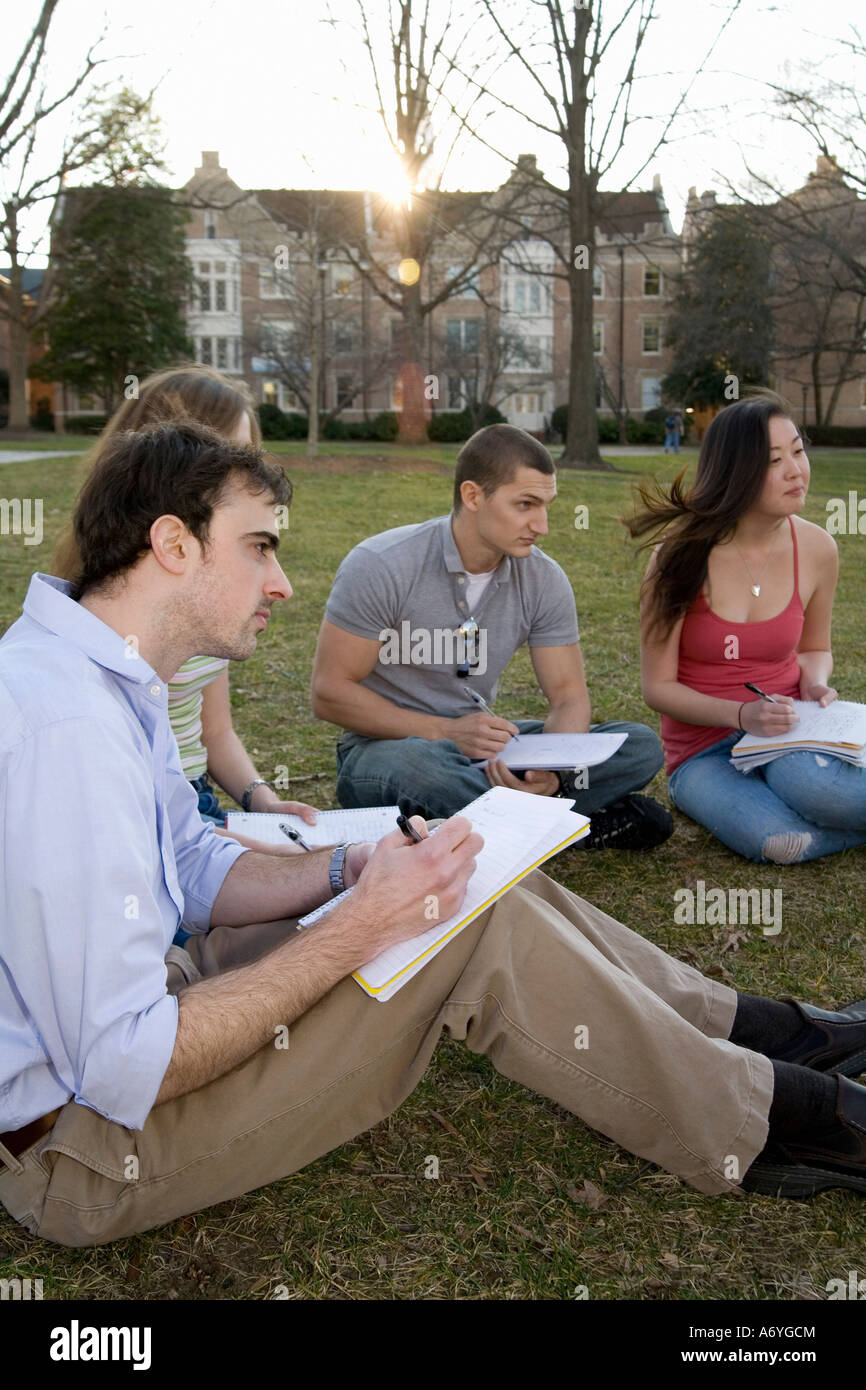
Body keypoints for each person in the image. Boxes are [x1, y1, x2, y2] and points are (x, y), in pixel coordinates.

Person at [6, 421, 866, 1248]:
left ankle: (753, 1029)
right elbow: (127, 1065)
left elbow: (190, 864)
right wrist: (365, 922)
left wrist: (349, 868)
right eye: (260, 546)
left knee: (464, 876)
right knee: (453, 930)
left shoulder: (108, 675)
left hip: (157, 1001)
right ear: (173, 544)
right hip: (88, 1151)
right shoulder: (65, 728)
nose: (281, 584)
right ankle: (784, 1117)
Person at [311, 424, 673, 850]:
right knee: (423, 771)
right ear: (473, 496)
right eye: (525, 505)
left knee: (639, 745)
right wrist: (445, 732)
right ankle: (569, 829)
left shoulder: (543, 578)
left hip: (484, 748)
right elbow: (329, 692)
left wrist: (552, 770)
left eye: (546, 506)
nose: (542, 525)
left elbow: (568, 696)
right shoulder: (381, 564)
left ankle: (509, 819)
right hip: (386, 750)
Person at [52, 364, 317, 851]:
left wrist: (261, 801)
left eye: (250, 454)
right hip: (144, 813)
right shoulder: (106, 622)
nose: (247, 473)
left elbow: (215, 731)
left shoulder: (210, 604)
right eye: (226, 452)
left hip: (193, 801)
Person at [630, 392, 866, 863]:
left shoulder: (817, 547)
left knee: (820, 790)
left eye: (798, 451)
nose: (796, 470)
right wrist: (740, 716)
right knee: (778, 842)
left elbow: (815, 647)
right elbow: (658, 688)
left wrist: (815, 681)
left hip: (786, 729)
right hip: (702, 752)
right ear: (735, 471)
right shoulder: (677, 559)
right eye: (773, 460)